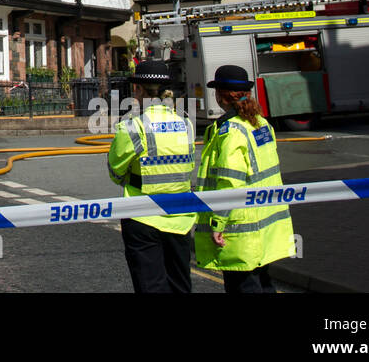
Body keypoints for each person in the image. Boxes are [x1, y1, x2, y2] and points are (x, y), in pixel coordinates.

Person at [195, 64, 295, 293]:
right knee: (263, 283)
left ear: (221, 96)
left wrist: (217, 224)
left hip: (240, 227)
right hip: (265, 223)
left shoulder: (231, 131)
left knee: (244, 286)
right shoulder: (260, 124)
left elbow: (230, 183)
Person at [107, 61, 197, 292]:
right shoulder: (186, 124)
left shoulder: (131, 126)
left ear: (138, 89)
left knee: (150, 286)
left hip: (142, 216)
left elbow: (115, 171)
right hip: (180, 217)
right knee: (180, 285)